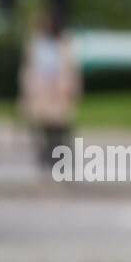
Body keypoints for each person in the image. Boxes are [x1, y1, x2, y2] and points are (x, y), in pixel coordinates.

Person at [18, 9, 80, 168]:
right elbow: (29, 67)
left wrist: (72, 87)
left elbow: (72, 67)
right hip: (41, 89)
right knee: (43, 124)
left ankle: (62, 156)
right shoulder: (36, 42)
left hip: (59, 88)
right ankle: (47, 156)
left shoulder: (64, 42)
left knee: (61, 126)